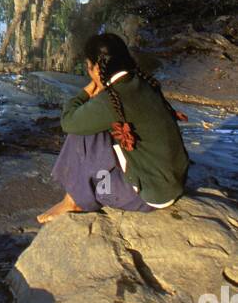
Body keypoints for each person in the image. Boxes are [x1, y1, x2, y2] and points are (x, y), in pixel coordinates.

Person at [37, 32, 189, 223]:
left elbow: (69, 121)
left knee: (83, 133)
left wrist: (87, 91)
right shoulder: (142, 82)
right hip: (174, 183)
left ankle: (73, 200)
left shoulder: (113, 99)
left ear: (96, 67)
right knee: (92, 126)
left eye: (88, 67)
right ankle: (73, 196)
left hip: (149, 197)